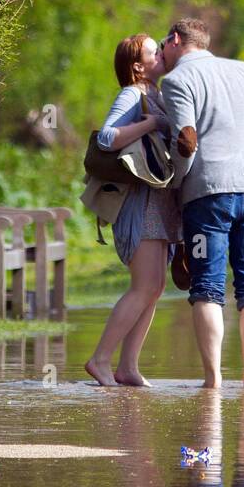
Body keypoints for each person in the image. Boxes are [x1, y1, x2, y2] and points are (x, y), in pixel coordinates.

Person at [159, 18, 244, 388]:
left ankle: (213, 379)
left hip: (208, 195)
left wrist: (175, 186)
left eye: (162, 46)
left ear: (175, 40)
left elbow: (186, 142)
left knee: (207, 286)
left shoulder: (177, 81)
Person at [83, 34, 182, 387]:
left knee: (154, 287)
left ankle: (128, 366)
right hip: (138, 204)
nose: (160, 55)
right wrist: (152, 123)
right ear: (138, 66)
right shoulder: (132, 94)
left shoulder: (155, 94)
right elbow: (107, 137)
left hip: (157, 203)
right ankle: (100, 359)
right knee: (143, 286)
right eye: (154, 52)